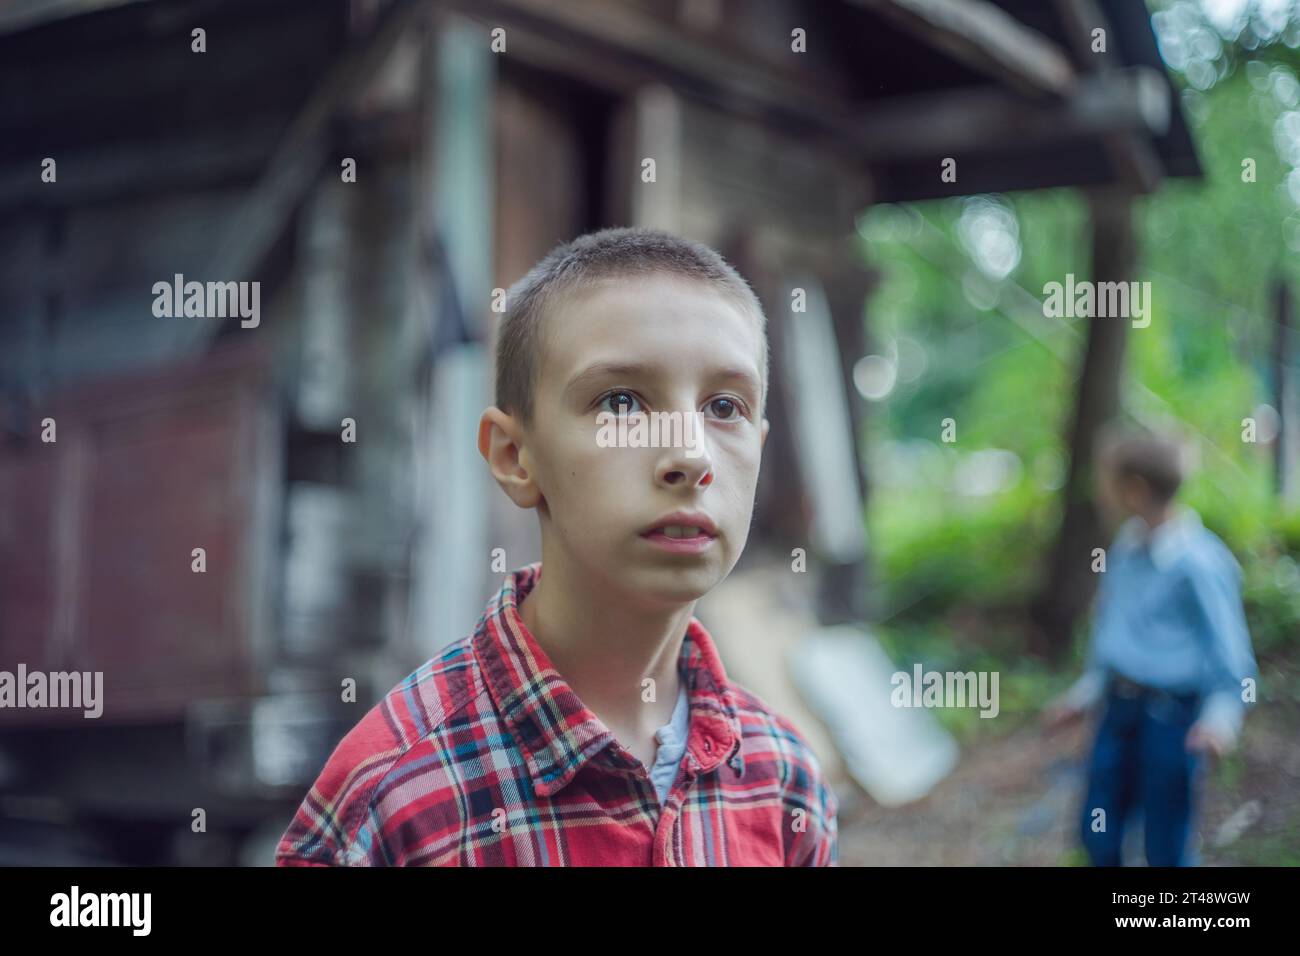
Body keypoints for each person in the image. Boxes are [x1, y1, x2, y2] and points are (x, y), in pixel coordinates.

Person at [275, 226, 837, 866]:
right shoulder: (392, 798)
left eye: (725, 406)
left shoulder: (785, 779)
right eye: (621, 401)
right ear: (516, 457)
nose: (690, 454)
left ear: (759, 450)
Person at [1042, 426, 1258, 866]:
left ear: (1135, 489)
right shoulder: (1124, 549)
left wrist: (1220, 718)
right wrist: (1086, 693)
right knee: (1099, 831)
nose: (1099, 491)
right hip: (1117, 713)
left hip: (1172, 720)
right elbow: (1112, 635)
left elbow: (1230, 653)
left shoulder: (1200, 562)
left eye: (1106, 481)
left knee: (1166, 841)